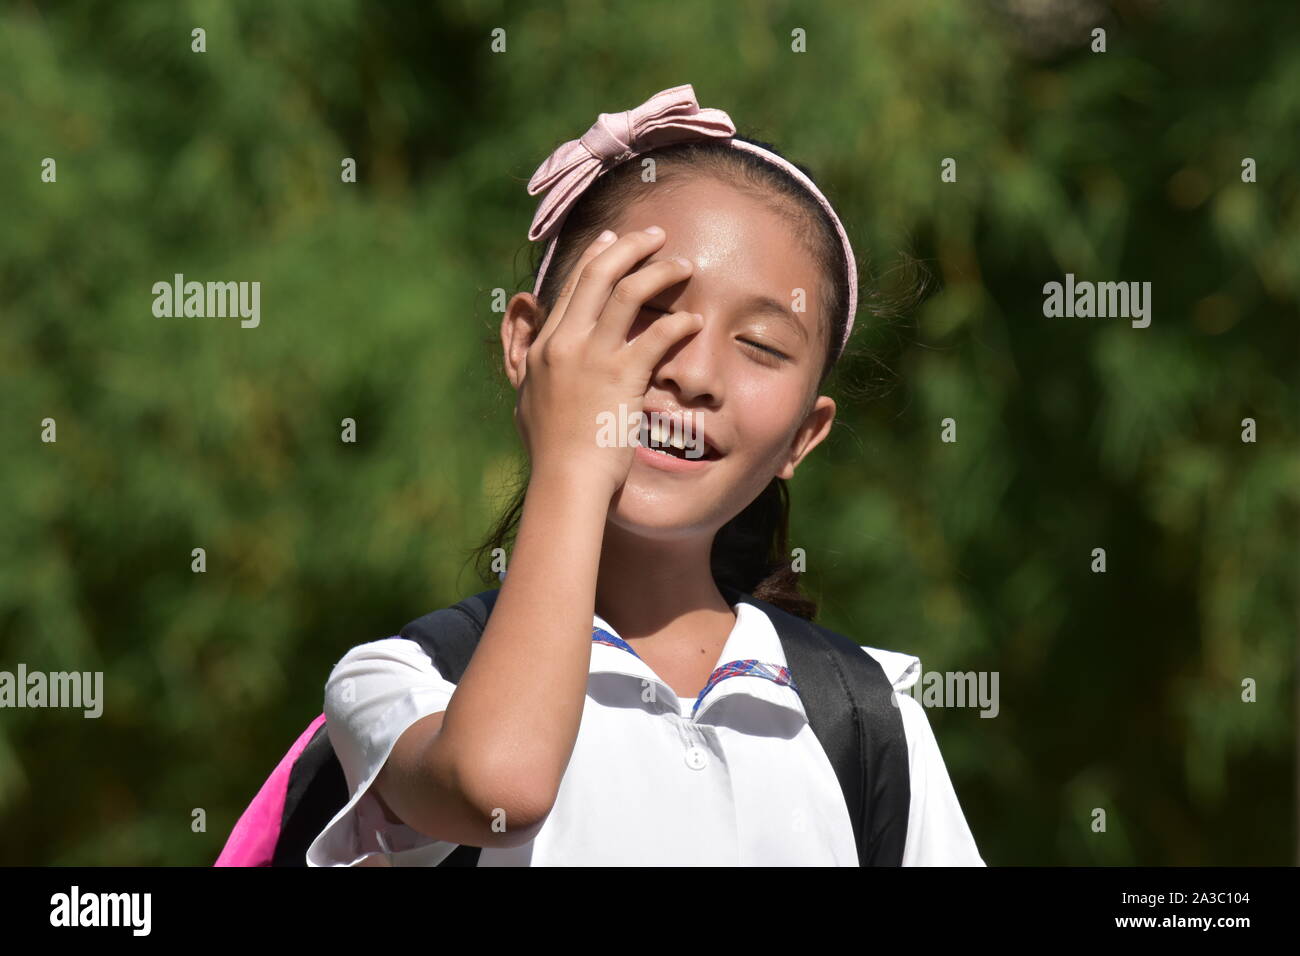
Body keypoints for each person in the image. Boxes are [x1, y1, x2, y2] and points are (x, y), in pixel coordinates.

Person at [306, 83, 985, 866]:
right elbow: (502, 788)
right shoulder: (409, 682)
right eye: (652, 309)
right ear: (529, 343)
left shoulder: (870, 717)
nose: (695, 372)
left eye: (762, 345)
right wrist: (574, 456)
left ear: (805, 434)